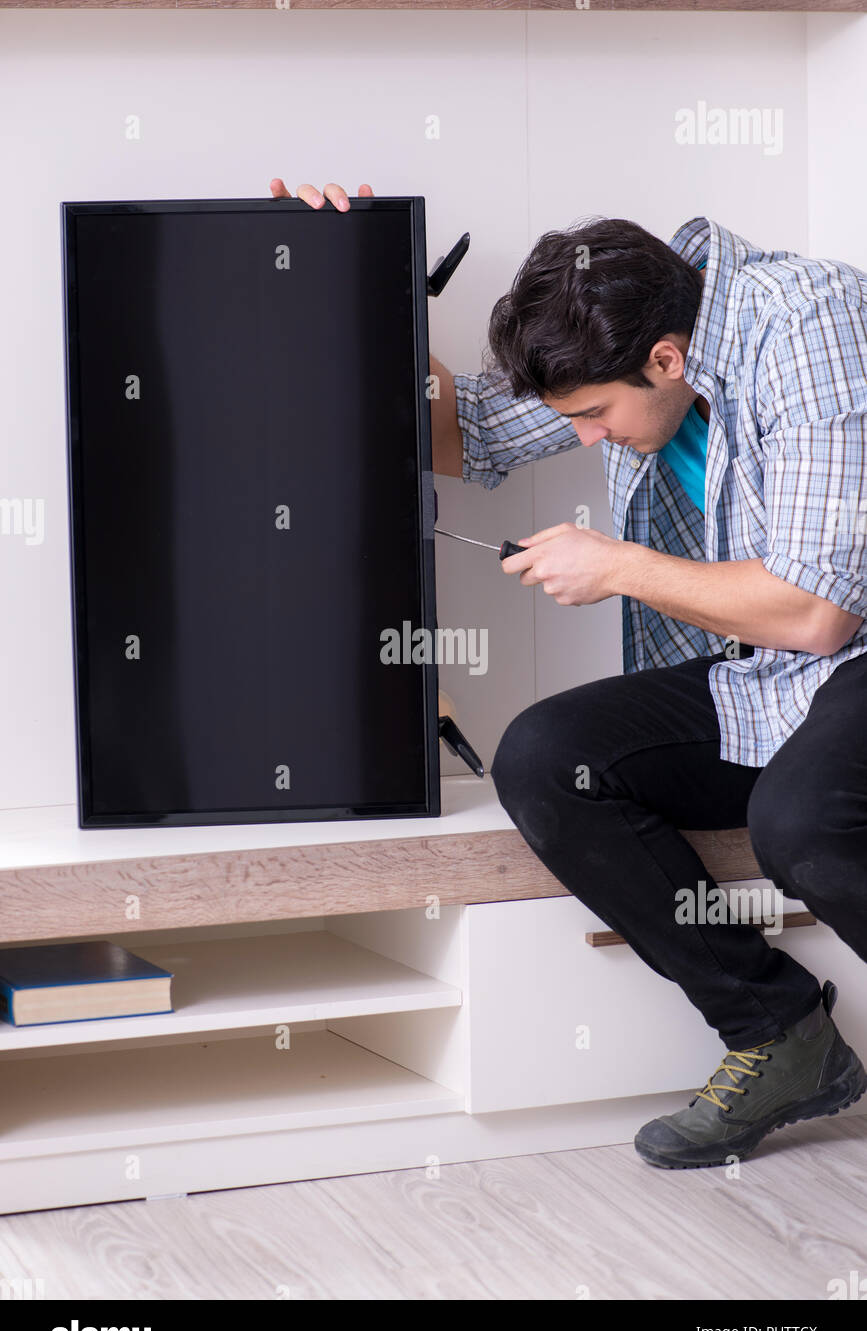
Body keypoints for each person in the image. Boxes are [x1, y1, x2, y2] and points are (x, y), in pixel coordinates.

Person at [271, 178, 867, 1169]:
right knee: (549, 757)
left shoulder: (810, 325)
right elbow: (460, 431)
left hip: (845, 641)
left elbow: (817, 611)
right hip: (777, 675)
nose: (585, 439)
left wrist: (622, 567)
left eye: (593, 417)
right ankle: (781, 1034)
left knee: (800, 818)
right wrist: (355, 278)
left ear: (669, 359)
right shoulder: (625, 331)